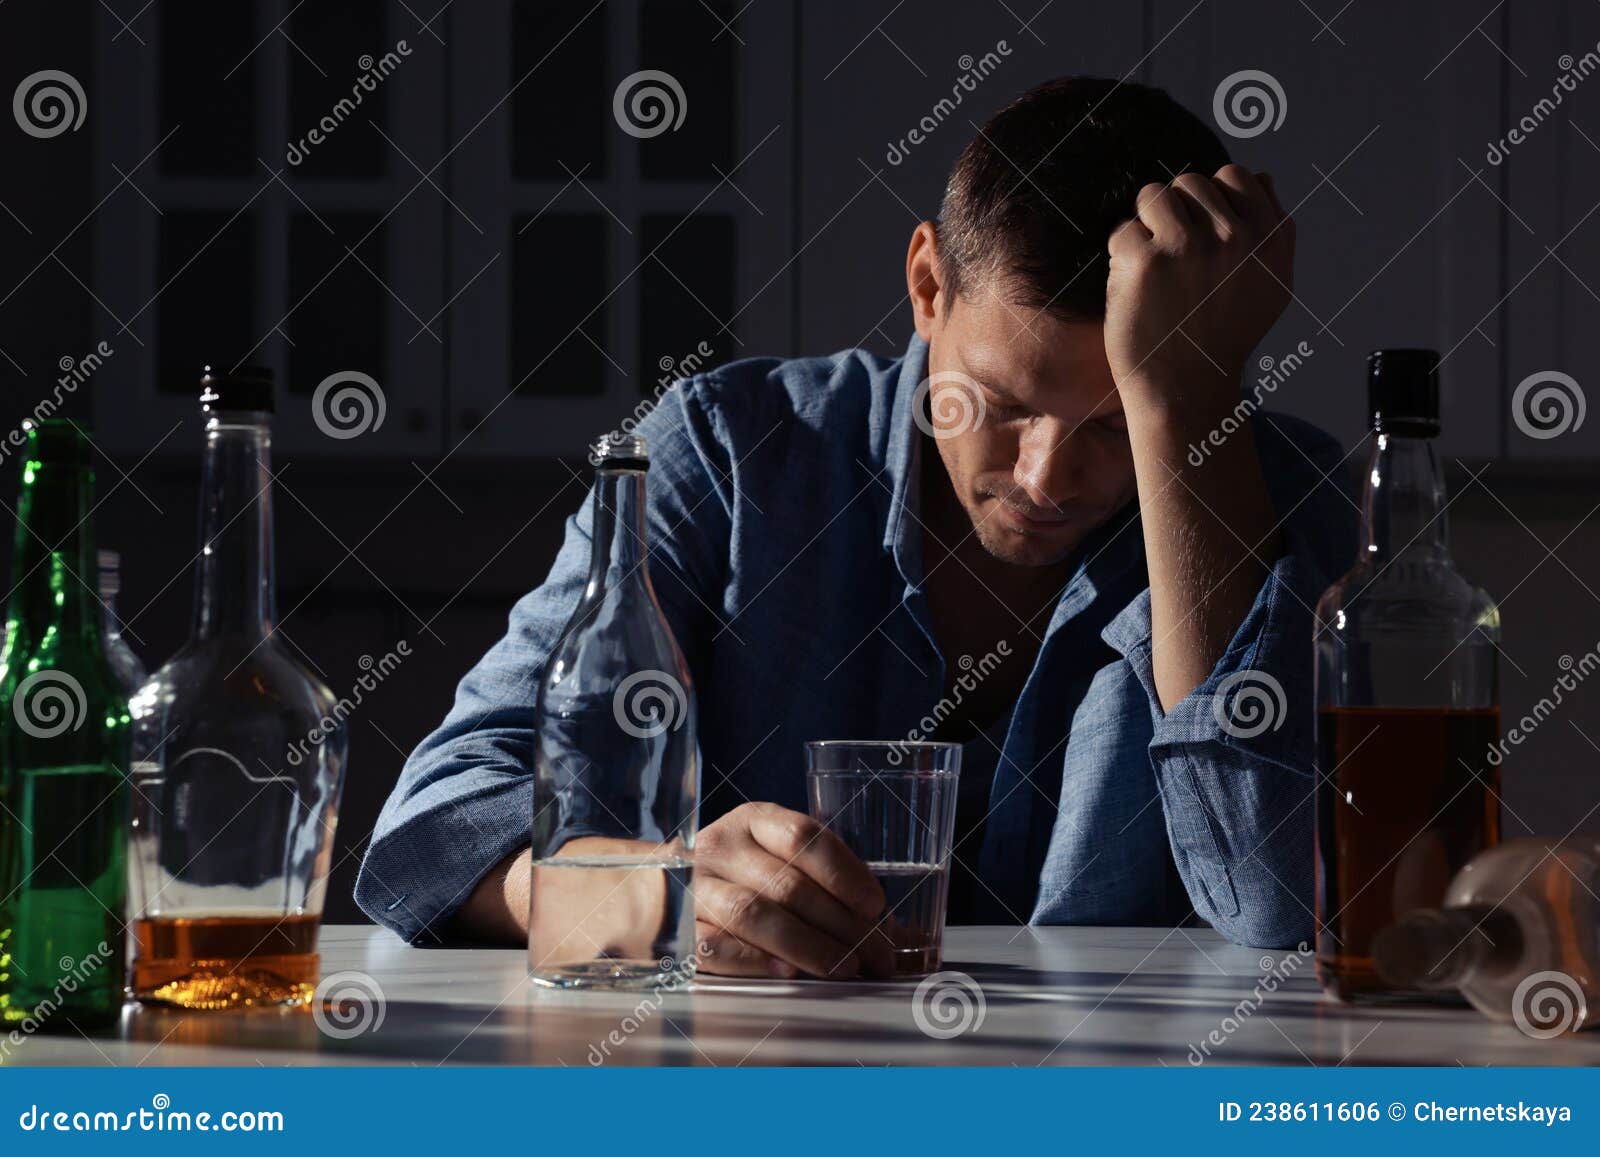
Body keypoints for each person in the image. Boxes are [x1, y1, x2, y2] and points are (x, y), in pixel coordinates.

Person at [355, 76, 1356, 974]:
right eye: (1001, 404)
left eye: (1112, 425)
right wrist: (660, 892)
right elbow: (431, 826)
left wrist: (1185, 418)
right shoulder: (732, 455)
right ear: (927, 284)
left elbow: (1276, 896)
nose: (1045, 476)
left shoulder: (1280, 489)